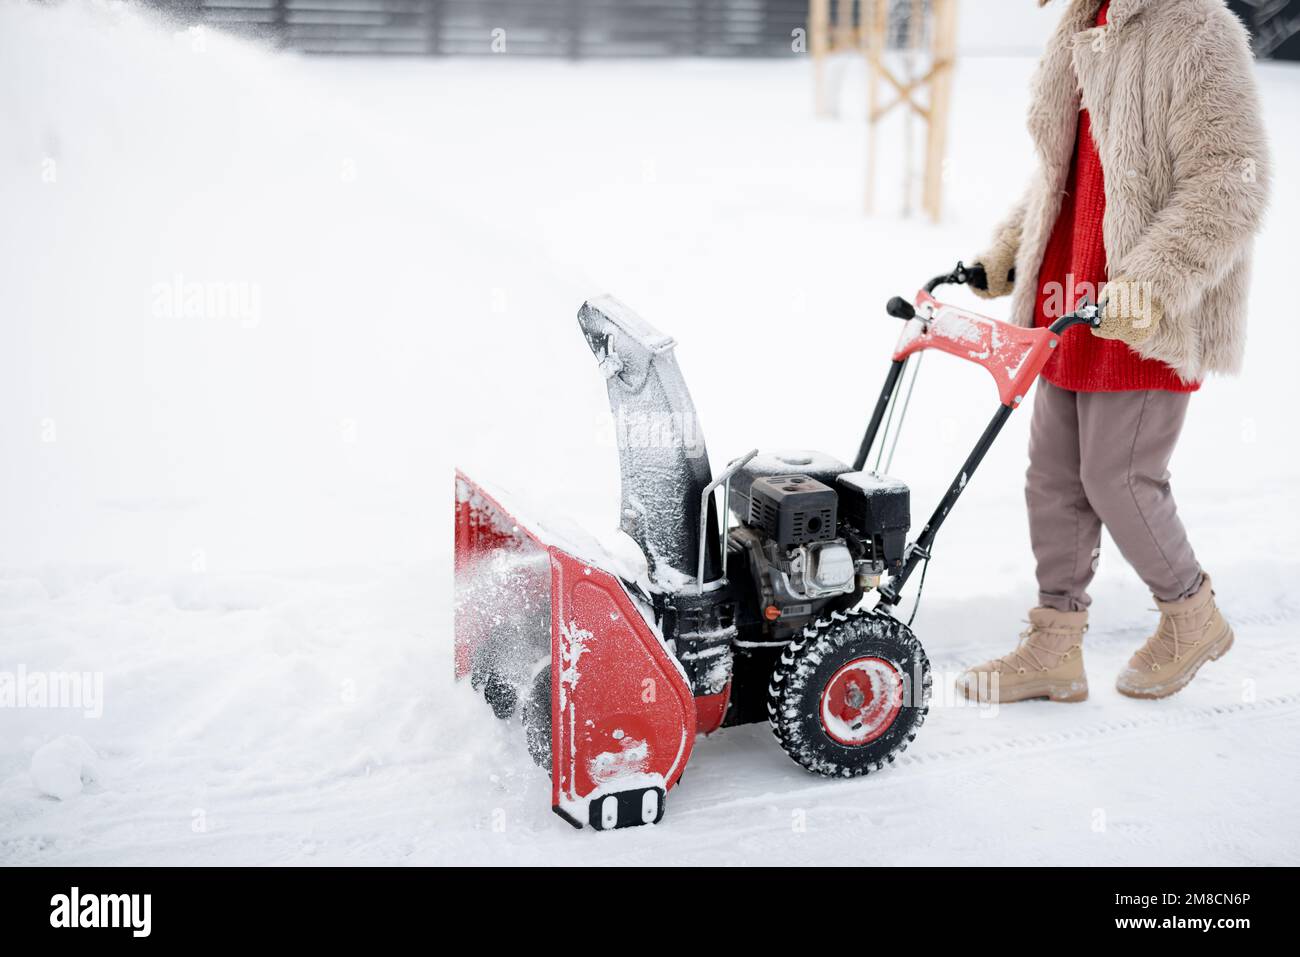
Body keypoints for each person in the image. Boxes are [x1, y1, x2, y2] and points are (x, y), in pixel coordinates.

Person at [956, 0, 1269, 703]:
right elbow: (1058, 171)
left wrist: (1153, 283)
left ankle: (1192, 613)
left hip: (1144, 309)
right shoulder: (1082, 22)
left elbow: (1232, 179)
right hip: (1071, 299)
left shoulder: (1195, 29)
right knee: (1053, 479)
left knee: (1119, 477)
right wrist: (1008, 250)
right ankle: (1054, 646)